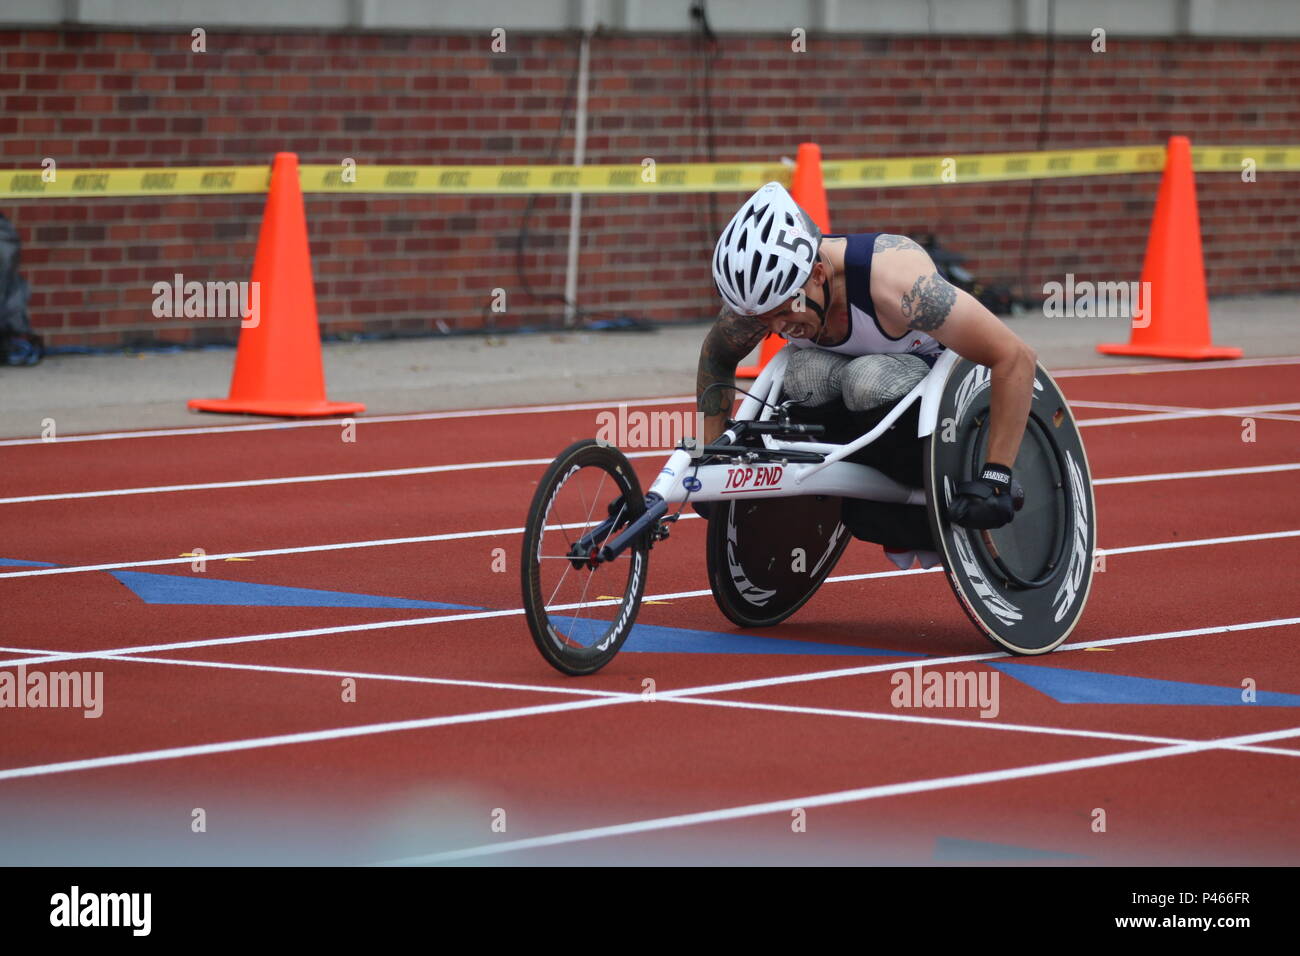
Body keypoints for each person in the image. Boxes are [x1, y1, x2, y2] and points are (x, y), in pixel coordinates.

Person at [696, 181, 1036, 569]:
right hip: (859, 421)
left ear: (819, 274)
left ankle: (923, 487)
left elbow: (1014, 357)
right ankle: (853, 492)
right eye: (763, 318)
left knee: (867, 378)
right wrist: (712, 454)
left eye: (785, 311)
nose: (777, 328)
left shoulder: (900, 284)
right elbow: (715, 359)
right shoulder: (764, 293)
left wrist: (997, 476)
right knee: (804, 374)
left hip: (933, 403)